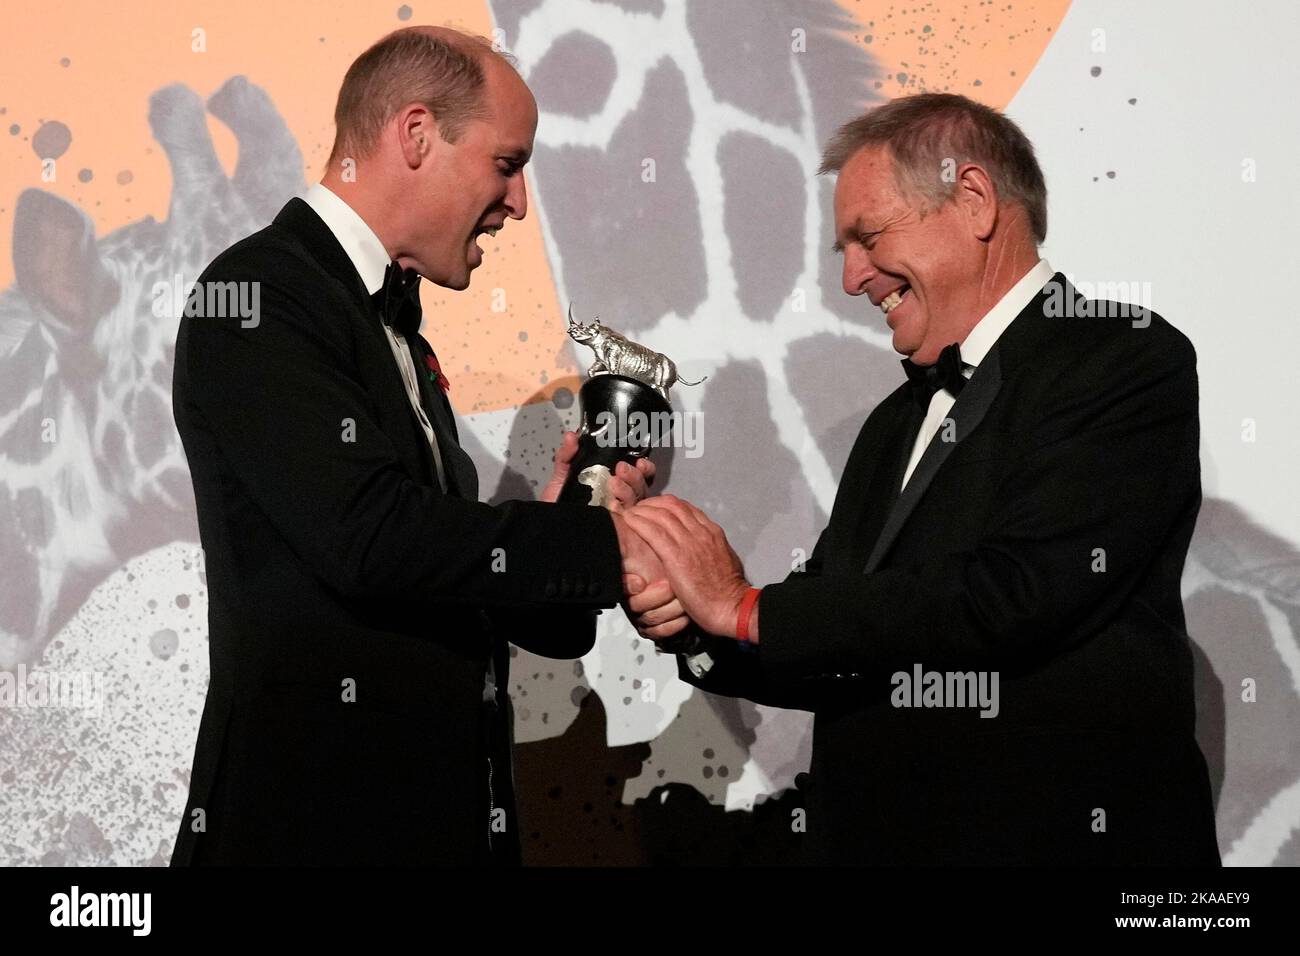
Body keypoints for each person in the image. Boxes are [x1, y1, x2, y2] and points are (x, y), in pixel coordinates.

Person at [627, 93, 1220, 865]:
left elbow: (1015, 595)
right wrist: (689, 612)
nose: (850, 279)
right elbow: (849, 644)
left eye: (867, 238)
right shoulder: (893, 424)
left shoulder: (1124, 359)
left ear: (973, 200)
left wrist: (743, 607)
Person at [170, 26, 673, 866]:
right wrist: (599, 544)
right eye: (507, 165)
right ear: (415, 134)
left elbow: (429, 575)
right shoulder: (256, 296)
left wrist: (564, 523)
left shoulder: (393, 324)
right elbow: (369, 539)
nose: (517, 203)